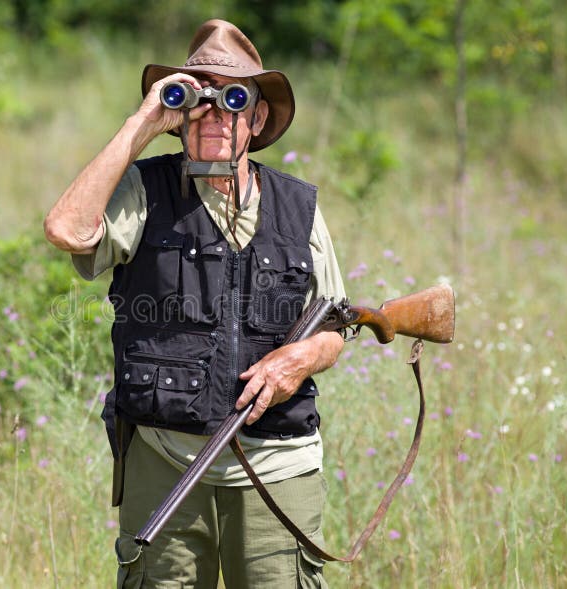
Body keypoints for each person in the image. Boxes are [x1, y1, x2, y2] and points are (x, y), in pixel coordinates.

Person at [44, 19, 346, 588]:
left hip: (277, 465)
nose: (215, 117)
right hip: (165, 461)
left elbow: (334, 323)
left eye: (234, 100)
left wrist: (298, 361)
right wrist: (143, 122)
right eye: (197, 99)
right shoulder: (144, 190)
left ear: (257, 119)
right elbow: (65, 229)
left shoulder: (296, 206)